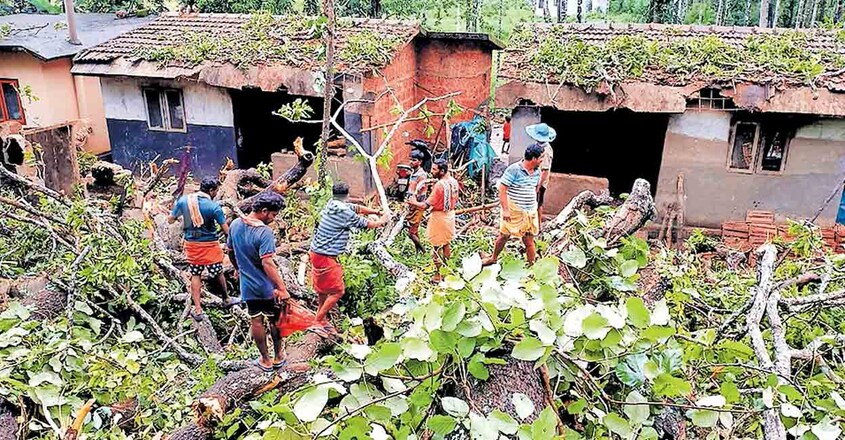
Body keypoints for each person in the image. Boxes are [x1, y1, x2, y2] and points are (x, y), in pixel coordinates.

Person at [310, 182, 389, 332]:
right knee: (338, 291)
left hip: (317, 253)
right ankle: (317, 321)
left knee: (323, 290)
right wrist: (382, 221)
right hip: (326, 256)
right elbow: (366, 224)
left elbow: (357, 208)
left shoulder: (333, 204)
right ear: (347, 195)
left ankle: (322, 318)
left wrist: (376, 211)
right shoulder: (344, 213)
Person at [227, 192, 290, 371]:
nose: (273, 219)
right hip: (267, 287)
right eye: (273, 214)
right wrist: (282, 288)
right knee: (274, 319)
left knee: (256, 321)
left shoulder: (235, 225)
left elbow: (230, 251)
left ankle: (265, 360)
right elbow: (267, 263)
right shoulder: (264, 232)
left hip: (247, 286)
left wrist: (238, 269)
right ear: (263, 211)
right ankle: (278, 356)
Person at [168, 177, 235, 319]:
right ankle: (226, 299)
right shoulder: (213, 207)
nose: (217, 193)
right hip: (210, 245)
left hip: (192, 245)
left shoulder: (183, 201)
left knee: (195, 274)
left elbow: (170, 219)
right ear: (211, 190)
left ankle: (198, 310)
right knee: (218, 272)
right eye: (216, 190)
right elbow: (226, 231)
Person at [482, 144, 544, 267]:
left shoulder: (537, 172)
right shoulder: (514, 169)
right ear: (533, 159)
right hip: (514, 209)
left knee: (528, 239)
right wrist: (505, 210)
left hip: (529, 211)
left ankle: (532, 267)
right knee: (504, 235)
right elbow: (502, 189)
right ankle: (493, 258)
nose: (542, 160)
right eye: (541, 158)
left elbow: (534, 189)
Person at [407, 159, 459, 283]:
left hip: (439, 218)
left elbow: (425, 205)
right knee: (446, 244)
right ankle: (446, 273)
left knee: (436, 248)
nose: (432, 171)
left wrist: (414, 202)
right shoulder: (453, 181)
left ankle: (437, 276)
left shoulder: (440, 185)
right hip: (450, 215)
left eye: (435, 169)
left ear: (442, 171)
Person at [526, 123, 557, 220]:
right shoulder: (538, 146)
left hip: (539, 182)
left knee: (537, 204)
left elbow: (545, 171)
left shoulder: (546, 151)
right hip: (534, 179)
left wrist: (538, 186)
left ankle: (538, 225)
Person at [405, 150, 429, 253]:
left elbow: (421, 193)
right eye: (410, 159)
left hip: (417, 206)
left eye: (414, 160)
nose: (411, 162)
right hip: (412, 205)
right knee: (414, 230)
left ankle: (424, 252)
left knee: (411, 233)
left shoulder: (422, 175)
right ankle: (418, 251)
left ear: (420, 162)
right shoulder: (413, 173)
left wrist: (414, 203)